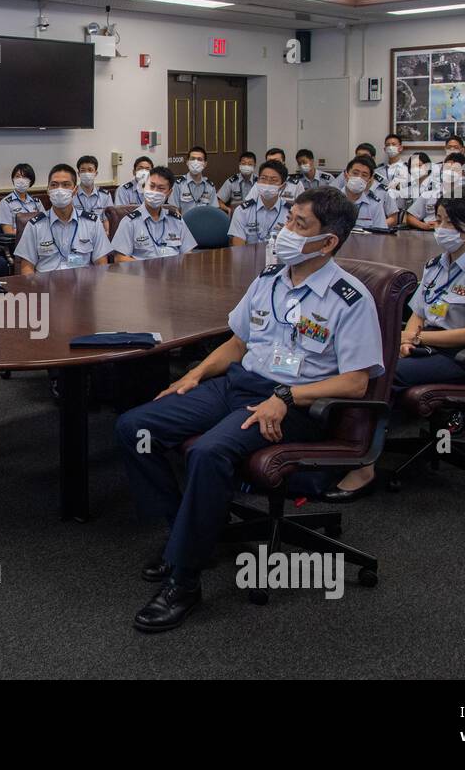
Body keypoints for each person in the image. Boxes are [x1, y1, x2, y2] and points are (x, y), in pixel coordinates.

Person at [114, 187, 383, 632]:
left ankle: (184, 580)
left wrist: (286, 398)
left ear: (329, 241)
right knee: (135, 427)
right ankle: (182, 530)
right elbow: (238, 342)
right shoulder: (270, 278)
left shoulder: (348, 298)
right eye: (288, 220)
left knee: (208, 453)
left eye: (300, 224)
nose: (286, 230)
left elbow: (356, 381)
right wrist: (195, 374)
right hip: (238, 384)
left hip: (295, 403)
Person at [326, 196, 465, 499]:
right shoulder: (436, 264)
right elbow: (419, 315)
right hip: (427, 346)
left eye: (450, 222)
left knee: (383, 375)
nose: (441, 227)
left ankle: (363, 462)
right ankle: (340, 444)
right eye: (438, 218)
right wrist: (407, 339)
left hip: (463, 358)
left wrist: (415, 340)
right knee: (362, 363)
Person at [14, 163, 112, 273]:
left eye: (66, 185)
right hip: (46, 285)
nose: (59, 190)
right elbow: (26, 267)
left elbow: (101, 264)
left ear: (75, 190)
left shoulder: (92, 223)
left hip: (83, 285)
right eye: (54, 185)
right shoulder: (35, 225)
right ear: (48, 190)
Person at [110, 166, 195, 260]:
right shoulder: (130, 222)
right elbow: (119, 258)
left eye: (161, 188)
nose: (154, 191)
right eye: (151, 186)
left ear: (169, 193)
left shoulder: (177, 220)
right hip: (142, 273)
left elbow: (188, 253)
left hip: (174, 272)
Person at [228, 160, 291, 245]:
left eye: (273, 180)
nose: (267, 183)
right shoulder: (242, 211)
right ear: (257, 182)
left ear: (283, 187)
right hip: (249, 257)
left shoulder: (290, 213)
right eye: (263, 179)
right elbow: (238, 246)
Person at [341, 155, 397, 230]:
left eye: (364, 175)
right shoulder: (331, 201)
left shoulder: (375, 205)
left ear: (370, 179)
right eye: (355, 173)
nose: (359, 178)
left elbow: (380, 235)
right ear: (346, 174)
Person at [0, 163, 44, 234]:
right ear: (13, 179)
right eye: (18, 176)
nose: (21, 180)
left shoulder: (37, 202)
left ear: (30, 181)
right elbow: (8, 232)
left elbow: (44, 224)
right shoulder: (5, 203)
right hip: (18, 242)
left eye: (25, 177)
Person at [402, 152, 441, 230]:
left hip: (432, 226)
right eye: (412, 167)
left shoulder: (436, 186)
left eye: (419, 165)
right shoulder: (408, 188)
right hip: (412, 226)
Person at [175, 146, 220, 215]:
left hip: (204, 224)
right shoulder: (178, 184)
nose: (195, 162)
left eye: (199, 159)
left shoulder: (210, 186)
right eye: (192, 159)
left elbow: (214, 211)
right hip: (183, 224)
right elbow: (174, 210)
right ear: (187, 162)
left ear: (205, 164)